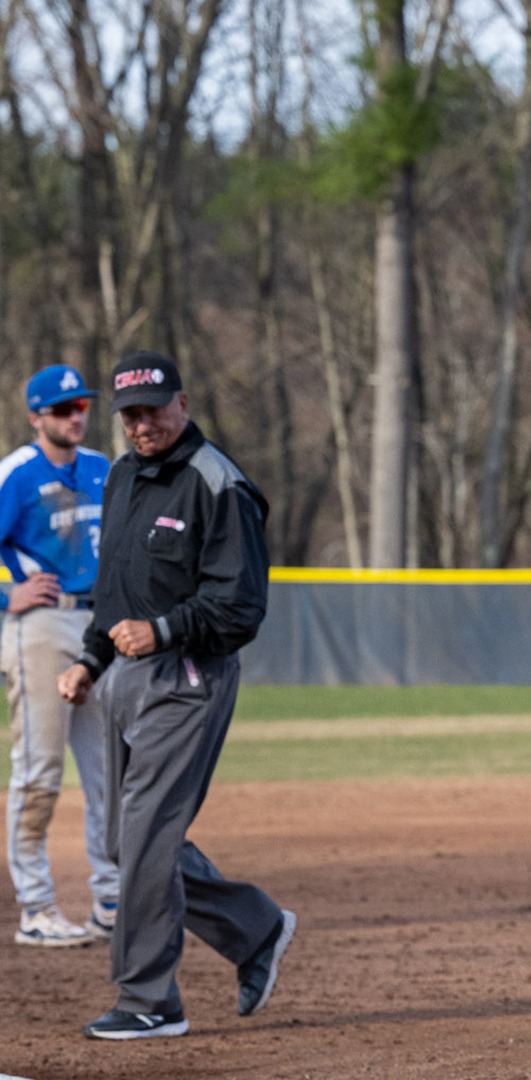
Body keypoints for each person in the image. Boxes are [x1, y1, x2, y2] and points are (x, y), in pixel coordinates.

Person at [54, 351, 295, 1041]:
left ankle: (149, 999)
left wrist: (161, 631)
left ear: (182, 404)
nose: (142, 425)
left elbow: (240, 607)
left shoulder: (219, 484)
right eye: (130, 414)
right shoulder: (122, 476)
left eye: (154, 410)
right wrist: (91, 658)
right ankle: (255, 927)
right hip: (125, 679)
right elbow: (115, 587)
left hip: (189, 676)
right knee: (125, 841)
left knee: (147, 837)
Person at [0, 365, 118, 947]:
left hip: (102, 625)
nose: (76, 416)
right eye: (64, 408)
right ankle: (36, 908)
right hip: (42, 625)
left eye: (82, 406)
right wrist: (6, 596)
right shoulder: (16, 473)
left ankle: (112, 900)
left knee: (110, 771)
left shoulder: (102, 468)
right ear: (36, 417)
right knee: (41, 770)